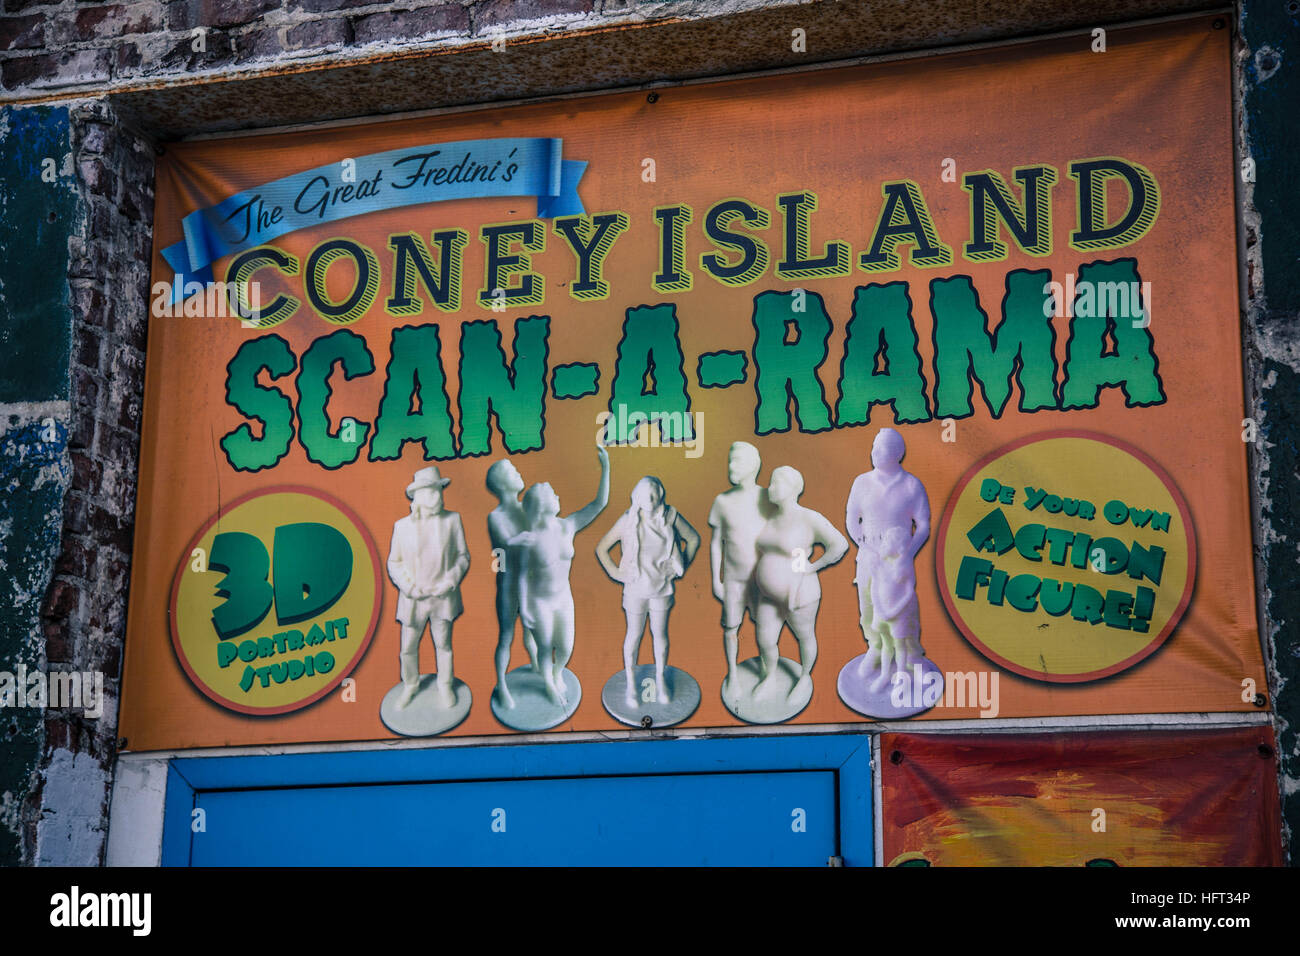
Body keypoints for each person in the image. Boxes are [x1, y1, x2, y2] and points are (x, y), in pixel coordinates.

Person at [507, 445, 610, 706]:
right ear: (542, 505)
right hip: (540, 602)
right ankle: (550, 686)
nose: (558, 496)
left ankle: (556, 672)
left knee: (565, 647)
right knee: (544, 648)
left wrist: (606, 469)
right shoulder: (530, 539)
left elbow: (599, 504)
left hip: (563, 599)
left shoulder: (568, 526)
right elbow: (521, 576)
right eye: (552, 494)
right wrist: (525, 608)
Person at [595, 476, 701, 708]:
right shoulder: (627, 520)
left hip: (662, 587)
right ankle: (631, 686)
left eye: (653, 494)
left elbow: (693, 539)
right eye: (644, 495)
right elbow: (602, 548)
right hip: (634, 588)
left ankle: (661, 681)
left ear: (661, 494)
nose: (650, 499)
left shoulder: (670, 516)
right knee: (633, 636)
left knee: (660, 636)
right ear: (636, 497)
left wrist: (679, 566)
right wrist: (615, 573)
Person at [750, 465, 848, 699]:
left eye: (776, 483)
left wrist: (813, 566)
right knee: (765, 639)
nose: (770, 488)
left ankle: (804, 677)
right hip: (767, 595)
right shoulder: (770, 517)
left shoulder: (808, 517)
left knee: (805, 635)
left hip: (800, 594)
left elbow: (839, 544)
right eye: (771, 483)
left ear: (794, 487)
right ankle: (770, 677)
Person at [844, 427, 930, 686]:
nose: (873, 452)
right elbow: (852, 517)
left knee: (905, 608)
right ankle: (877, 647)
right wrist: (863, 544)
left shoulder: (911, 485)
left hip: (897, 558)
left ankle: (912, 655)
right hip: (869, 555)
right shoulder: (862, 482)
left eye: (880, 448)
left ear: (897, 453)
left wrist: (908, 553)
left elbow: (923, 524)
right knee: (868, 603)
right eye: (873, 446)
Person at [387, 466, 470, 709]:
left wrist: (450, 581)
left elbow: (463, 556)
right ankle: (410, 684)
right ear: (419, 496)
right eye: (432, 491)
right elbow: (394, 561)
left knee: (443, 644)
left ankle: (445, 685)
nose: (438, 496)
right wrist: (409, 587)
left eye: (439, 490)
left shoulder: (452, 520)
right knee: (408, 647)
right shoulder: (401, 526)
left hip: (443, 597)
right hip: (413, 599)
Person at [708, 441, 771, 695]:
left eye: (738, 461)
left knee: (765, 628)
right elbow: (716, 544)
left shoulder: (767, 497)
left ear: (753, 465)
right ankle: (732, 674)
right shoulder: (722, 502)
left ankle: (768, 671)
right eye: (730, 461)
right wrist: (716, 581)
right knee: (731, 627)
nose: (731, 466)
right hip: (733, 581)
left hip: (763, 579)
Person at [486, 458, 540, 710]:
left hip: (530, 581)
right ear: (502, 483)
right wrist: (526, 537)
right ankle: (501, 685)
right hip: (508, 585)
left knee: (532, 631)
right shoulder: (495, 516)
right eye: (513, 471)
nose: (519, 473)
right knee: (506, 636)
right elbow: (505, 543)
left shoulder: (526, 508)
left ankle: (538, 668)